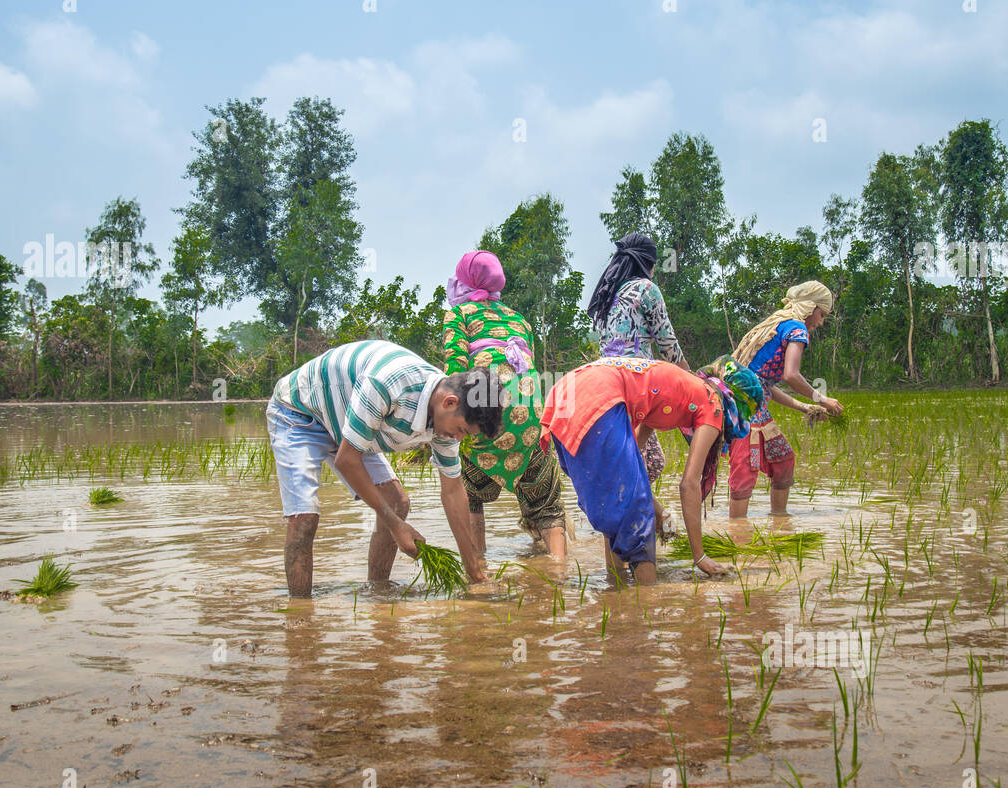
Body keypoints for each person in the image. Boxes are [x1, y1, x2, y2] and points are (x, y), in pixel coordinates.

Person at [266, 339, 504, 597]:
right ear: (449, 402)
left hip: (347, 421)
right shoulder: (389, 383)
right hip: (299, 412)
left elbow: (453, 491)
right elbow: (347, 460)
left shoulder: (445, 421)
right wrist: (395, 525)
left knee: (396, 502)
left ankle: (377, 594)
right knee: (304, 516)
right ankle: (300, 615)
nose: (458, 439)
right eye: (461, 431)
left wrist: (474, 573)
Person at [539, 355, 759, 584]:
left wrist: (662, 514)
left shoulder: (679, 386)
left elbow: (628, 470)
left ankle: (616, 587)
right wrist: (699, 556)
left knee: (616, 498)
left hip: (566, 390)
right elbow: (689, 484)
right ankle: (648, 599)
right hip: (599, 394)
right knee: (637, 513)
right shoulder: (713, 404)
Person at [441, 250, 567, 560]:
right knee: (547, 507)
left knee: (470, 497)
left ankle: (478, 570)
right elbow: (527, 367)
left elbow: (455, 372)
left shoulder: (459, 314)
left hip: (486, 409)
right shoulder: (519, 318)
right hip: (534, 417)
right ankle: (560, 572)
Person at [586, 232, 690, 534]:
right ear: (648, 264)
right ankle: (652, 524)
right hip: (637, 385)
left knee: (646, 459)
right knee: (648, 461)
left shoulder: (609, 292)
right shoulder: (647, 288)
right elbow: (669, 344)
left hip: (606, 386)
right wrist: (694, 381)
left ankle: (652, 522)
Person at [727, 280, 844, 518]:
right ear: (811, 308)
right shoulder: (797, 330)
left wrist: (804, 407)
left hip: (749, 401)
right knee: (745, 468)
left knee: (783, 460)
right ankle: (737, 531)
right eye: (821, 315)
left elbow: (765, 385)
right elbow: (791, 375)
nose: (820, 322)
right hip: (744, 407)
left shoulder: (781, 326)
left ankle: (779, 521)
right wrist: (823, 400)